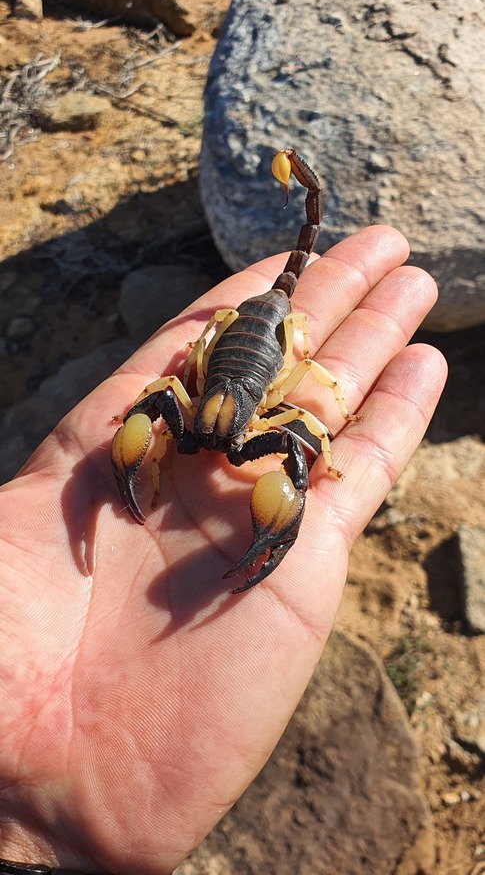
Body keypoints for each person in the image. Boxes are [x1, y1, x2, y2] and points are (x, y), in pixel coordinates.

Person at [0, 225, 447, 875]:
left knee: (300, 441)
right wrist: (136, 463)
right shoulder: (187, 398)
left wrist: (325, 435)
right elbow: (155, 401)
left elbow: (300, 431)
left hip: (260, 356)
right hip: (228, 356)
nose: (211, 443)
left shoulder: (267, 417)